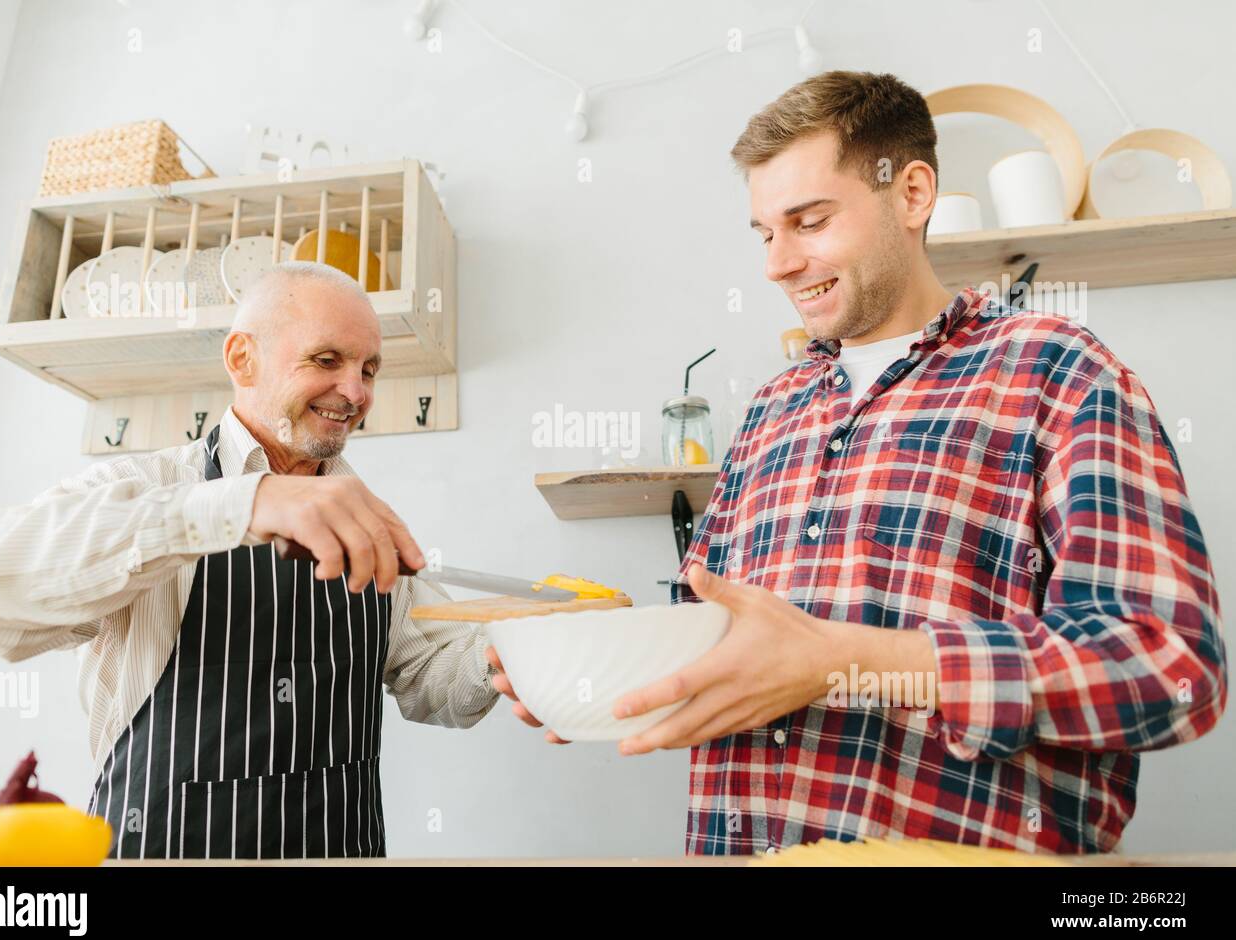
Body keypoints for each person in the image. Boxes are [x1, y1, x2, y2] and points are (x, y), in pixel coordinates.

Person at [489, 70, 1227, 855]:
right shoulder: (774, 409)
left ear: (911, 194)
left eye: (808, 221)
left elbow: (1168, 669)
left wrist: (853, 663)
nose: (777, 263)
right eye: (764, 232)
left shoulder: (1060, 375)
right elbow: (720, 644)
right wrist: (595, 674)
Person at [0, 260, 497, 859]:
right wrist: (241, 503)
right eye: (326, 360)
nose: (357, 392)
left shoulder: (363, 517)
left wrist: (513, 655)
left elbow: (430, 677)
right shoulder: (145, 485)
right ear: (241, 359)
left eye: (369, 369)